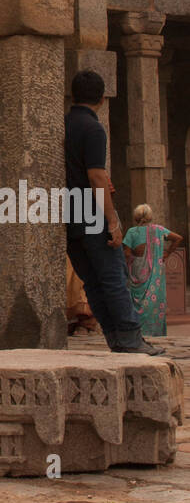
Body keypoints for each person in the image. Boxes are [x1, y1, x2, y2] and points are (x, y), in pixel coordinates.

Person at [64, 69, 163, 355]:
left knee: (94, 282)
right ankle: (130, 339)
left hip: (71, 214)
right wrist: (113, 221)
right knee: (113, 277)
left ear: (73, 95)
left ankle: (116, 338)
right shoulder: (93, 129)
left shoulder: (65, 124)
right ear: (103, 98)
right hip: (92, 214)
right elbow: (96, 177)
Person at [122, 203, 181, 338]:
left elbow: (126, 254)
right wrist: (167, 253)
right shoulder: (159, 230)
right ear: (150, 217)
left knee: (135, 303)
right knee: (153, 302)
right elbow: (178, 238)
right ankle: (154, 332)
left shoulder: (132, 232)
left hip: (136, 272)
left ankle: (138, 333)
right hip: (155, 275)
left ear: (136, 217)